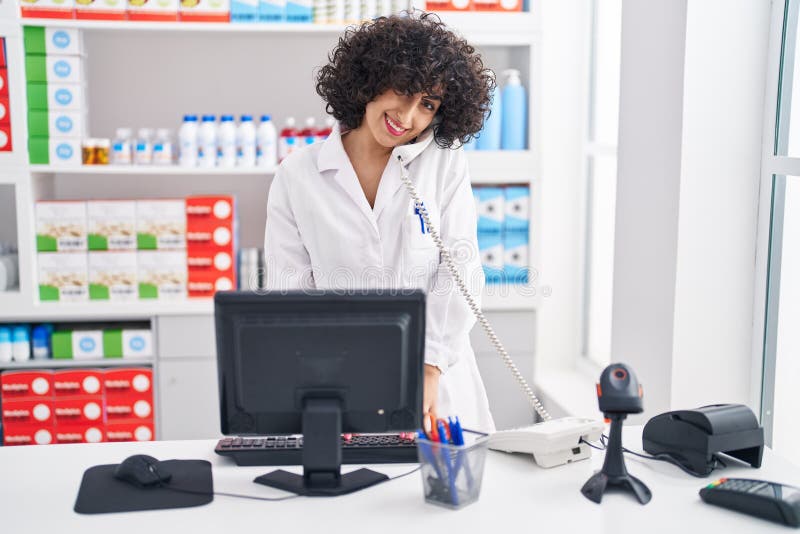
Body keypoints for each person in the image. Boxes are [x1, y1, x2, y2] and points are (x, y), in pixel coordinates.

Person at [264, 12, 496, 432]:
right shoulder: (297, 174)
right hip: (339, 384)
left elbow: (461, 268)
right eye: (404, 90)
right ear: (370, 78)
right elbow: (290, 293)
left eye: (428, 104)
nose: (407, 117)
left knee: (446, 492)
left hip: (438, 383)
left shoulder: (442, 165)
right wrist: (325, 380)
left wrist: (430, 368)